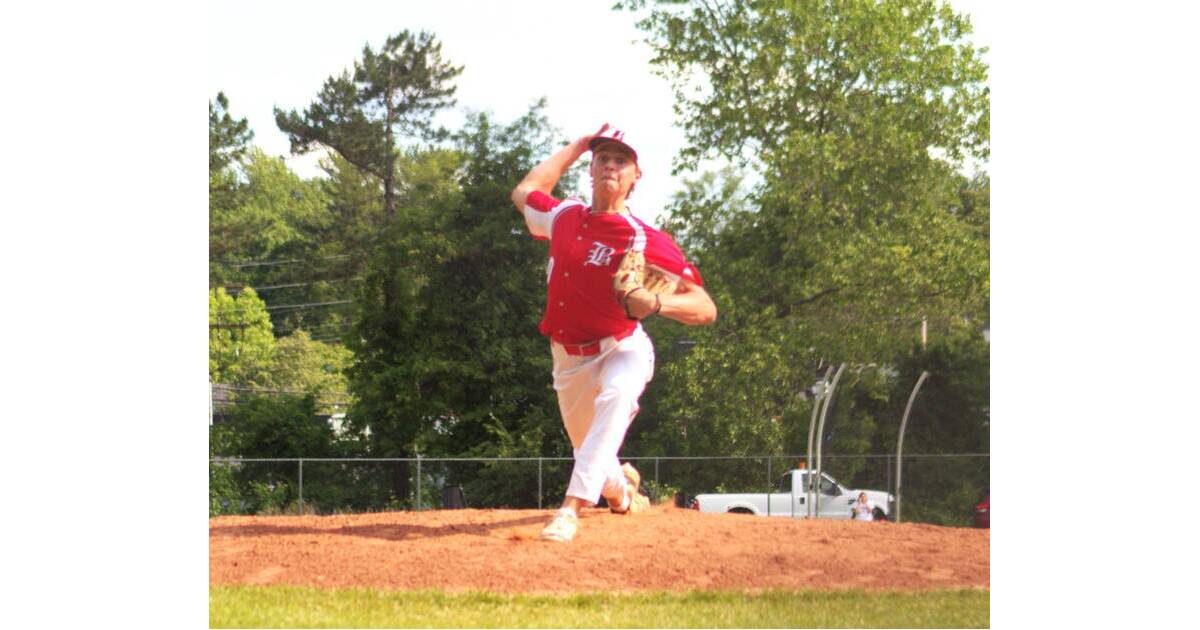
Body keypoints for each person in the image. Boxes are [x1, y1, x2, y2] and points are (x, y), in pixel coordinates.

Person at [510, 124, 718, 543]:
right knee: (595, 454)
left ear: (635, 176)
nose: (610, 165)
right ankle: (623, 494)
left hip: (621, 346)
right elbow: (525, 190)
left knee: (617, 395)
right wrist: (578, 145)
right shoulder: (564, 216)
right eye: (603, 157)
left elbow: (705, 306)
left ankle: (569, 511)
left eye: (621, 160)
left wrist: (658, 303)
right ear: (591, 168)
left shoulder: (643, 238)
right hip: (568, 359)